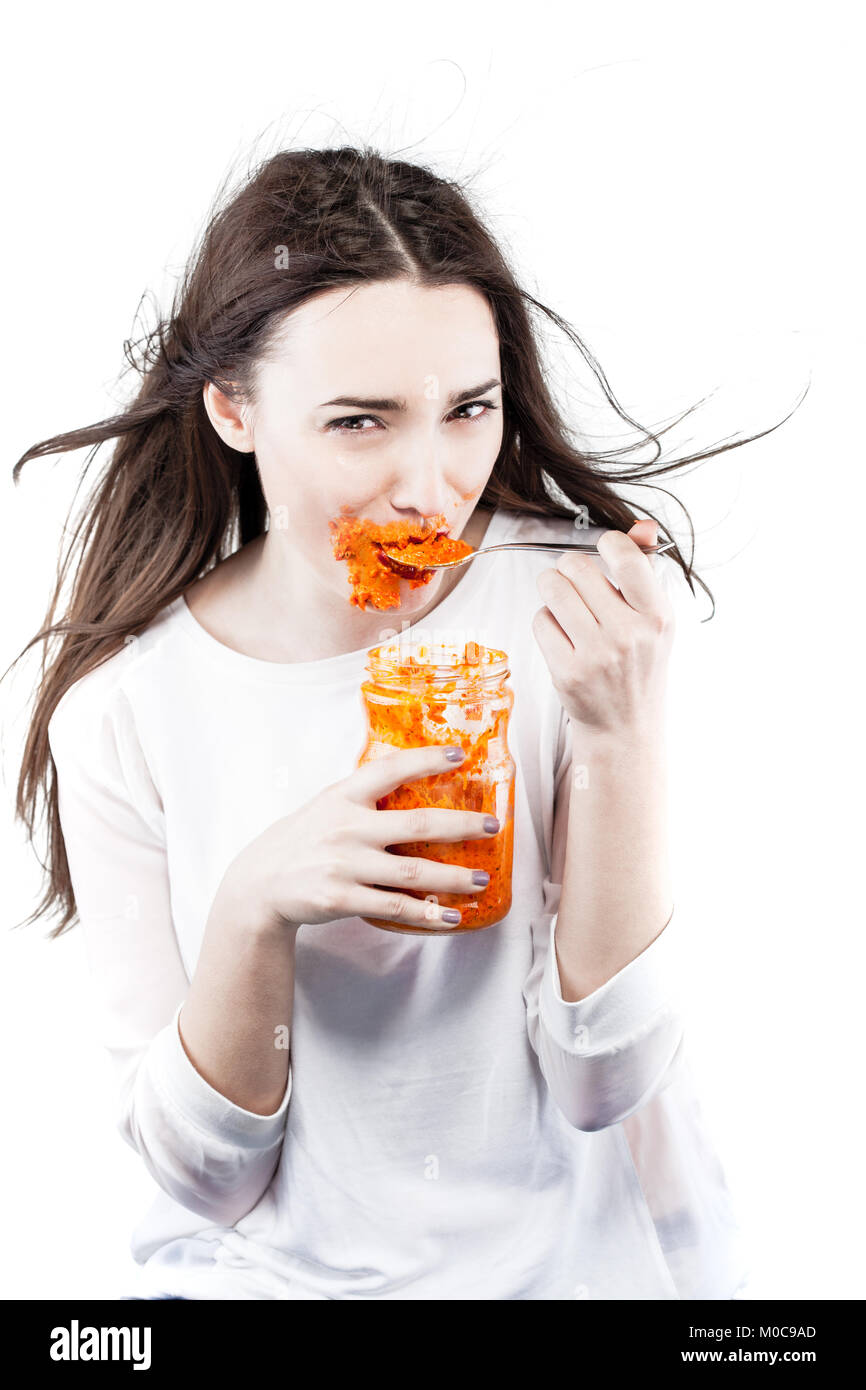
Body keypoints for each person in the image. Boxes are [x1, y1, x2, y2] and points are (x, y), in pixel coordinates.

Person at [10, 144, 795, 1300]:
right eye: (358, 422)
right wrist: (252, 909)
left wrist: (622, 741)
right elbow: (202, 1182)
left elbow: (604, 1083)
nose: (428, 485)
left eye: (466, 409)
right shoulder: (126, 710)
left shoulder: (572, 615)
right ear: (232, 407)